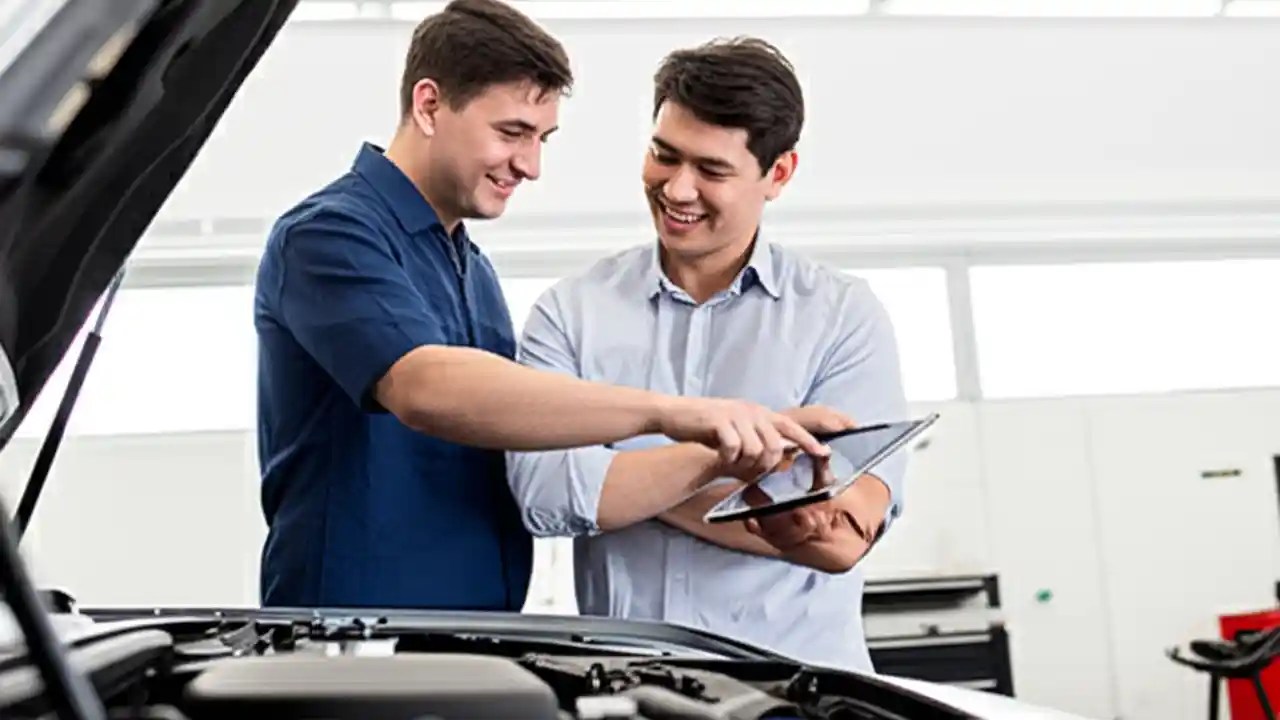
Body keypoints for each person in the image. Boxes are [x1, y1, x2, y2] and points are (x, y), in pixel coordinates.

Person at [252, 1, 826, 612]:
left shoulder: (471, 269)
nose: (530, 165)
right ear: (428, 105)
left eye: (542, 138)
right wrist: (673, 413)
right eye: (512, 133)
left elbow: (517, 431)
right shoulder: (329, 237)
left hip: (471, 642)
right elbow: (425, 389)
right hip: (351, 641)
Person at [506, 37, 910, 672]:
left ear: (778, 174)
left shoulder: (843, 317)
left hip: (791, 691)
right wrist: (729, 462)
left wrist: (619, 473)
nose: (678, 189)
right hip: (624, 689)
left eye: (712, 170)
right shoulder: (569, 312)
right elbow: (544, 497)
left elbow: (838, 540)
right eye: (664, 156)